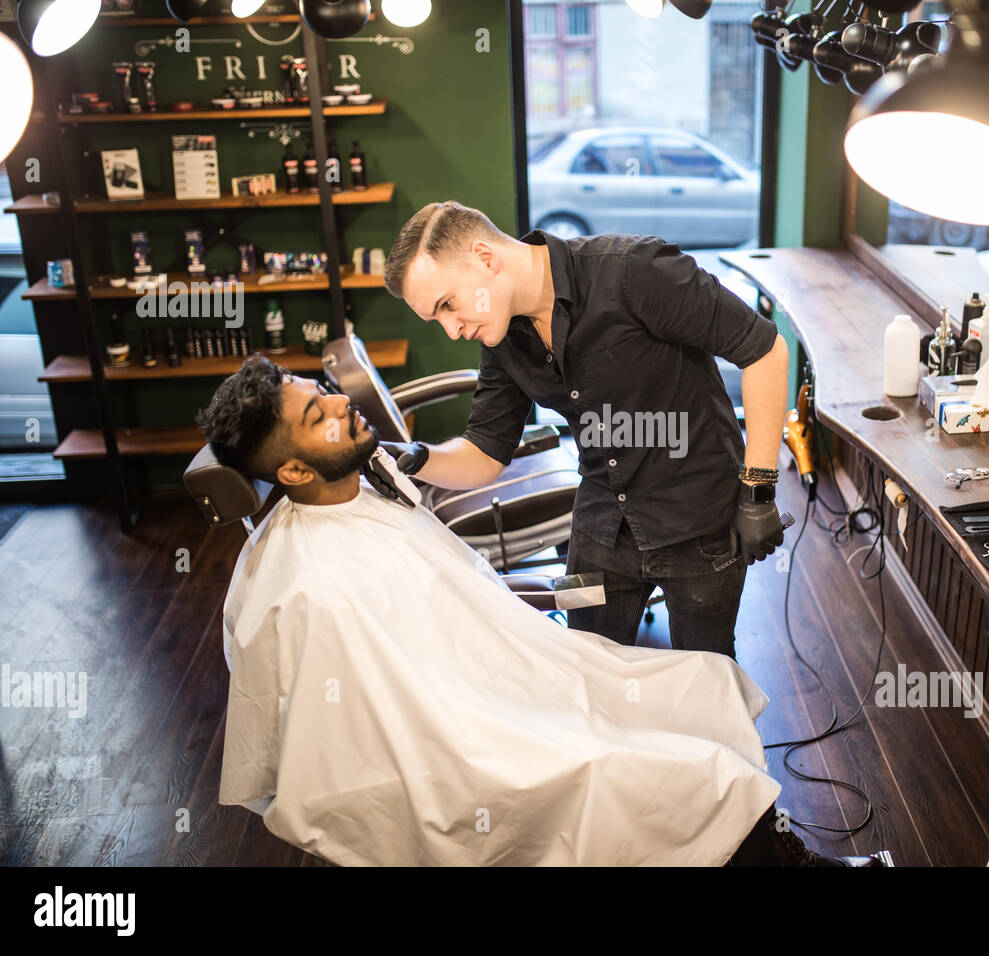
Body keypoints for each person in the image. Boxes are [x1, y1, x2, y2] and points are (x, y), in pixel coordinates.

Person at [195, 357, 886, 866]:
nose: (338, 404)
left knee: (698, 686)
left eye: (320, 389)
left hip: (511, 679)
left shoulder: (364, 484)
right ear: (290, 472)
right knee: (673, 770)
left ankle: (769, 848)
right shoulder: (314, 586)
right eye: (316, 418)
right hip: (471, 742)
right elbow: (386, 730)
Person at [378, 202, 789, 659]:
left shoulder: (635, 272)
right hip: (601, 528)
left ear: (485, 258)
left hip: (699, 522)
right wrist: (415, 458)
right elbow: (485, 451)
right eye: (437, 318)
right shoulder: (502, 340)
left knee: (710, 681)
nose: (452, 329)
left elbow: (765, 349)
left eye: (447, 305)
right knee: (584, 670)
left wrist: (758, 491)